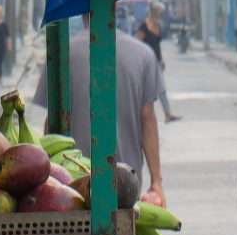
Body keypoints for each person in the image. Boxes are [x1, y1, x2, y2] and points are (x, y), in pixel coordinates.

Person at [29, 16, 167, 203]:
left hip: (70, 182)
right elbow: (148, 119)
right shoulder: (143, 54)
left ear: (82, 13)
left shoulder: (61, 54)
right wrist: (156, 181)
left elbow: (52, 122)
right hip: (127, 183)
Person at [134, 2, 181, 122]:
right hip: (146, 62)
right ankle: (143, 114)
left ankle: (167, 114)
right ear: (154, 12)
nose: (161, 15)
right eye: (159, 13)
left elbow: (157, 45)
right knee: (147, 89)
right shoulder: (144, 26)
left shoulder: (158, 26)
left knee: (161, 88)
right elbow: (136, 43)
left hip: (157, 61)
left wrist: (162, 60)